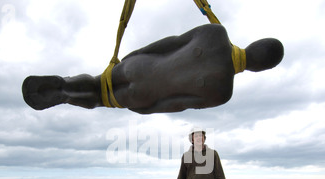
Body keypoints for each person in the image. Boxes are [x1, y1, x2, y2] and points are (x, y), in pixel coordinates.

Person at [22, 24, 283, 114]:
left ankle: (65, 85)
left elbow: (170, 42)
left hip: (142, 66)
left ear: (256, 43)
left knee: (98, 80)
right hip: (147, 95)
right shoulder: (223, 92)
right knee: (102, 99)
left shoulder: (215, 32)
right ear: (260, 70)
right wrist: (145, 109)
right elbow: (177, 104)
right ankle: (67, 97)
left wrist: (133, 55)